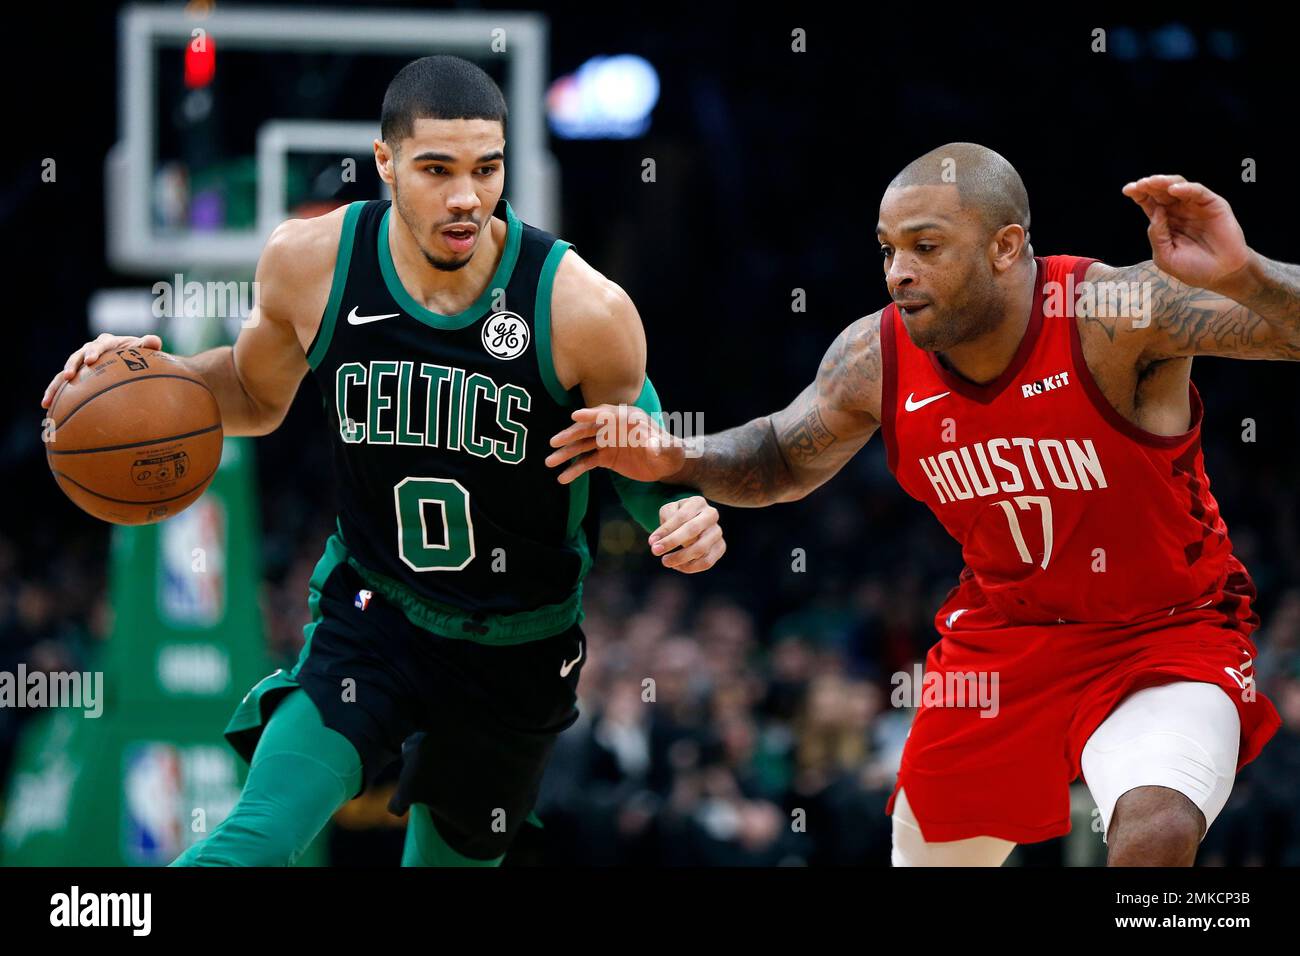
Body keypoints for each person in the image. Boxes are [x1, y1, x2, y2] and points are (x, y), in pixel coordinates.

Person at [40, 55, 726, 866]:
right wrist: (150, 383)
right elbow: (256, 398)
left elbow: (638, 454)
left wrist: (679, 511)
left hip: (518, 645)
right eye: (437, 169)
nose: (466, 195)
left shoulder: (583, 307)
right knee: (256, 835)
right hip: (374, 615)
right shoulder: (311, 261)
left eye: (487, 168)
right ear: (385, 164)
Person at [547, 142, 1291, 866]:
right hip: (1002, 643)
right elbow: (779, 455)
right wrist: (680, 454)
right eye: (887, 249)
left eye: (926, 247)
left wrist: (1247, 275)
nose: (898, 273)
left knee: (1155, 827)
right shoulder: (875, 356)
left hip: (1164, 631)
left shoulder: (1111, 311)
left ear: (1005, 246)